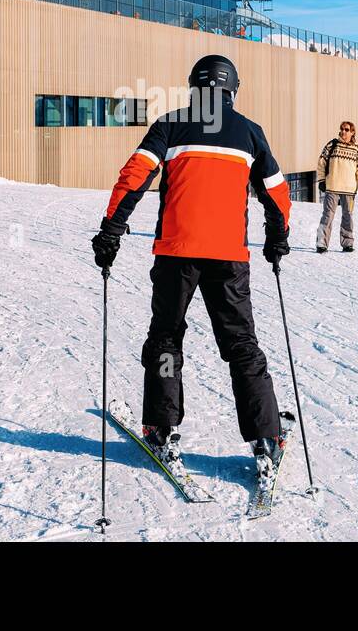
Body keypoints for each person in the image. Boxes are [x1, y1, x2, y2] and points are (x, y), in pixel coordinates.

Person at [90, 54, 292, 475]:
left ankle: (161, 429)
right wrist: (277, 239)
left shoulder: (171, 123)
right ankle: (266, 435)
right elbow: (275, 192)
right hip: (228, 257)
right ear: (233, 90)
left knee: (166, 339)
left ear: (194, 88)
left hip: (175, 256)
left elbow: (135, 175)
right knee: (241, 345)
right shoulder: (250, 133)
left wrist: (112, 229)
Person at [315, 120, 358, 253]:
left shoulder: (357, 149)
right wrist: (321, 180)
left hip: (349, 189)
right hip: (332, 187)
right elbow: (321, 163)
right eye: (342, 129)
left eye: (347, 129)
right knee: (327, 216)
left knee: (348, 217)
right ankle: (321, 244)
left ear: (352, 132)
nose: (344, 131)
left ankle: (347, 243)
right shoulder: (332, 145)